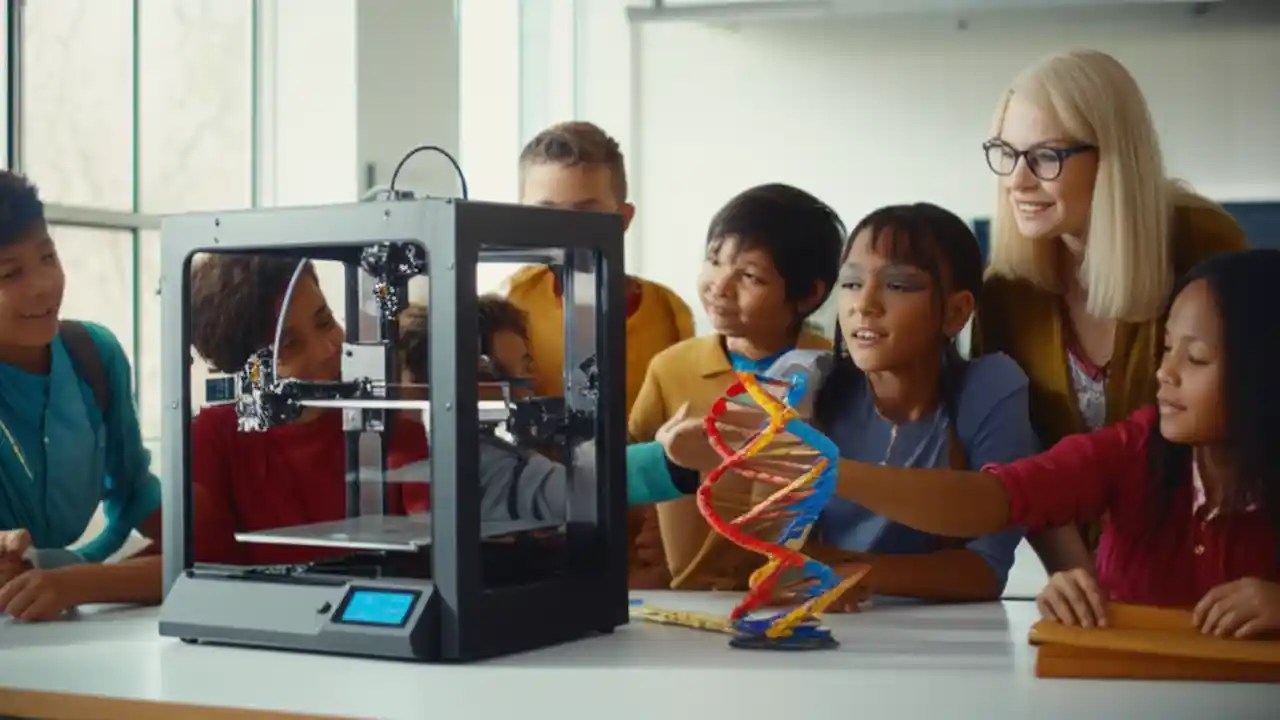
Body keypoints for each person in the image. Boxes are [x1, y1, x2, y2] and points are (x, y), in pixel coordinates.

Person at [665, 250, 1280, 637]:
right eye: (1166, 349)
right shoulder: (1137, 446)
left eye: (1196, 358)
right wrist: (824, 468)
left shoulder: (989, 386)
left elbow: (980, 567)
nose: (1164, 373)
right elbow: (992, 499)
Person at [975, 49, 1248, 573]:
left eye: (1045, 156)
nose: (1017, 181)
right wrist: (1077, 575)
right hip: (1091, 574)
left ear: (1112, 158)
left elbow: (1256, 418)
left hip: (1214, 569)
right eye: (1006, 152)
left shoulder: (1204, 246)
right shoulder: (1006, 292)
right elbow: (1021, 451)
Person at [806, 203, 1036, 603]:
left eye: (897, 286)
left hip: (946, 635)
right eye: (852, 283)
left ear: (956, 312)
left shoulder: (989, 388)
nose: (865, 304)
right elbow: (776, 551)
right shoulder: (814, 385)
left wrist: (850, 571)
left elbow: (983, 570)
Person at [507, 121, 694, 588]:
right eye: (545, 213)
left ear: (624, 218)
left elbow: (682, 428)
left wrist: (671, 519)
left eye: (585, 213)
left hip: (642, 538)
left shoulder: (668, 313)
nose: (565, 231)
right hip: (538, 529)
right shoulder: (511, 304)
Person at [629, 182, 843, 589]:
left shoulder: (833, 373)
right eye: (714, 261)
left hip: (789, 588)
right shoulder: (671, 368)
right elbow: (634, 471)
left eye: (749, 276)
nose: (720, 285)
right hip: (686, 591)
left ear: (809, 294)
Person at [188, 254, 425, 566]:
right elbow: (199, 563)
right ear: (248, 368)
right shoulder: (213, 439)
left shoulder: (386, 423)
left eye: (325, 321)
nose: (327, 349)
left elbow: (434, 541)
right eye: (290, 344)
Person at [0, 170, 162, 621]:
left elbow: (134, 492)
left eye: (47, 256)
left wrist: (75, 573)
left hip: (61, 627)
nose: (42, 284)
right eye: (10, 273)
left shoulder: (93, 355)